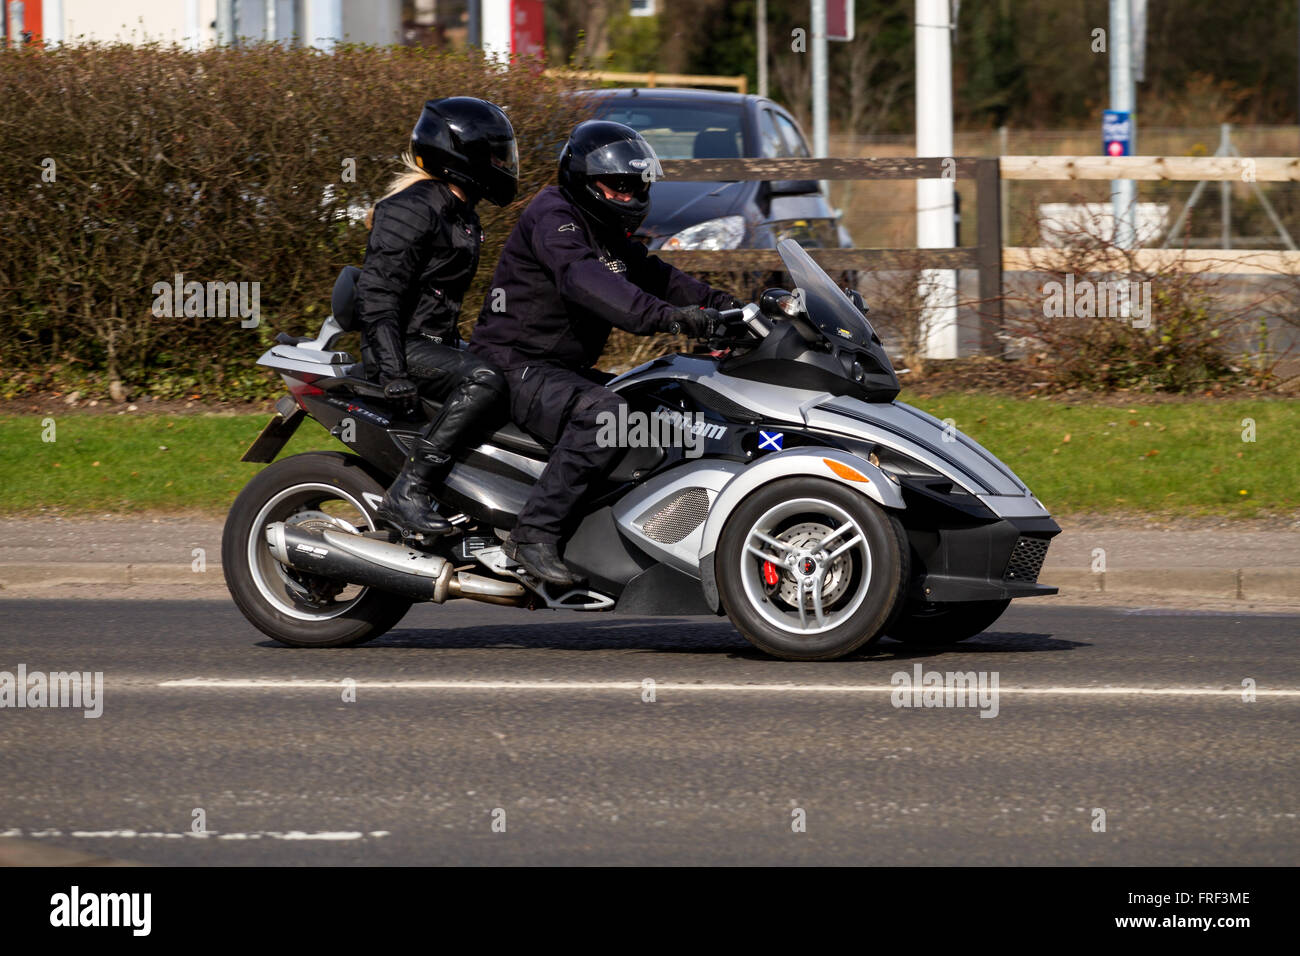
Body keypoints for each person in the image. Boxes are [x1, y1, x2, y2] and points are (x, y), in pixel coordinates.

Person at [470, 120, 743, 587]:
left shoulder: (604, 228)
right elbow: (591, 284)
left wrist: (735, 309)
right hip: (515, 363)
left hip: (561, 368)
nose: (627, 195)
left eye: (634, 186)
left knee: (664, 402)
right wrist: (674, 320)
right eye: (616, 186)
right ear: (583, 179)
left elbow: (660, 278)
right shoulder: (555, 218)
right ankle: (532, 534)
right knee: (605, 415)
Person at [356, 97, 517, 540]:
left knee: (514, 374)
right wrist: (392, 372)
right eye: (494, 155)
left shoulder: (460, 210)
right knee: (484, 379)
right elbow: (377, 294)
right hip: (400, 347)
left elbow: (436, 298)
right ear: (461, 154)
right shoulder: (413, 207)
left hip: (433, 341)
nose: (503, 164)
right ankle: (409, 490)